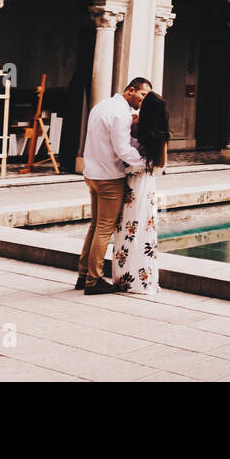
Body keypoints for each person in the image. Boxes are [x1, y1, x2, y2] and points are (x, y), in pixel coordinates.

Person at [76, 77, 150, 295]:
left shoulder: (101, 106)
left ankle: (83, 274)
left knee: (95, 225)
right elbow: (122, 149)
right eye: (143, 95)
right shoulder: (121, 113)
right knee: (104, 228)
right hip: (109, 177)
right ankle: (93, 280)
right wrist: (145, 163)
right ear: (131, 90)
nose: (143, 100)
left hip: (92, 173)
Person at [113, 91, 168, 296]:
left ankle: (123, 277)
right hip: (146, 183)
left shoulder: (135, 126)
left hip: (131, 182)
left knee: (127, 228)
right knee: (142, 229)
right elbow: (161, 163)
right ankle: (141, 280)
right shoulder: (161, 133)